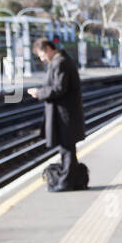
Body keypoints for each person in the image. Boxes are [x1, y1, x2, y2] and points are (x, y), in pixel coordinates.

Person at [27, 38, 86, 191]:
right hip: (64, 112)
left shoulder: (60, 63)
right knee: (66, 147)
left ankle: (66, 182)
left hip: (65, 114)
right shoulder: (60, 61)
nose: (42, 59)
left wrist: (39, 93)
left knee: (67, 147)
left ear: (48, 49)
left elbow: (59, 88)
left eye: (41, 55)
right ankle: (70, 180)